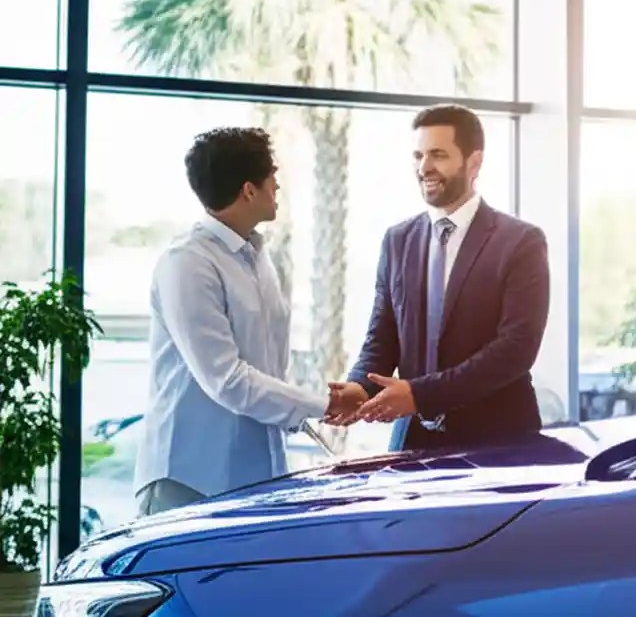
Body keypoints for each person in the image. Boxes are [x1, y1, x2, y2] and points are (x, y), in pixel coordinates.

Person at [134, 127, 361, 516]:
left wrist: (312, 410)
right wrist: (323, 404)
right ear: (249, 190)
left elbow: (265, 370)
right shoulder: (187, 264)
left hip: (255, 481)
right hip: (189, 485)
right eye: (272, 175)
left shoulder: (256, 257)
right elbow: (228, 380)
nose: (278, 185)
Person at [324, 104, 550, 452]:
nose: (424, 167)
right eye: (418, 155)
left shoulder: (521, 242)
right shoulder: (397, 241)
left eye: (438, 155)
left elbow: (516, 350)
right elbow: (382, 339)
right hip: (412, 442)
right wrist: (359, 388)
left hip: (499, 442)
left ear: (474, 163)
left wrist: (419, 395)